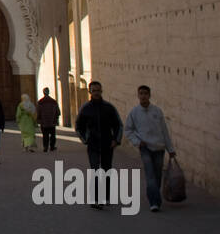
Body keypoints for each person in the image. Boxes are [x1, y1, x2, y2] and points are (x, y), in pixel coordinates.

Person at [125, 84, 176, 212]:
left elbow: (164, 131)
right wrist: (137, 142)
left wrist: (170, 149)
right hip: (145, 147)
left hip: (159, 147)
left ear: (149, 95)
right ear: (138, 96)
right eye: (141, 93)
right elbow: (128, 130)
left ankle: (155, 196)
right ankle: (154, 202)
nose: (143, 96)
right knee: (150, 175)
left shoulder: (157, 111)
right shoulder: (134, 113)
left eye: (145, 93)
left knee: (158, 175)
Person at [74, 80, 123, 208]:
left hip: (107, 144)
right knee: (95, 170)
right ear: (90, 92)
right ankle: (96, 199)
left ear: (101, 91)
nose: (96, 93)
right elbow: (79, 126)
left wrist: (116, 140)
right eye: (94, 90)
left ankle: (106, 197)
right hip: (93, 145)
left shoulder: (109, 108)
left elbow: (118, 124)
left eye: (98, 90)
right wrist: (85, 139)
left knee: (106, 170)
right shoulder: (85, 109)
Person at [36, 87, 60, 152]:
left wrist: (38, 119)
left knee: (45, 135)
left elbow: (38, 112)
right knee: (52, 135)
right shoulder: (53, 101)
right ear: (48, 92)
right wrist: (56, 117)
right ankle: (52, 147)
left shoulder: (40, 102)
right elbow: (58, 112)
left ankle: (45, 147)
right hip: (52, 121)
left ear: (43, 93)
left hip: (44, 122)